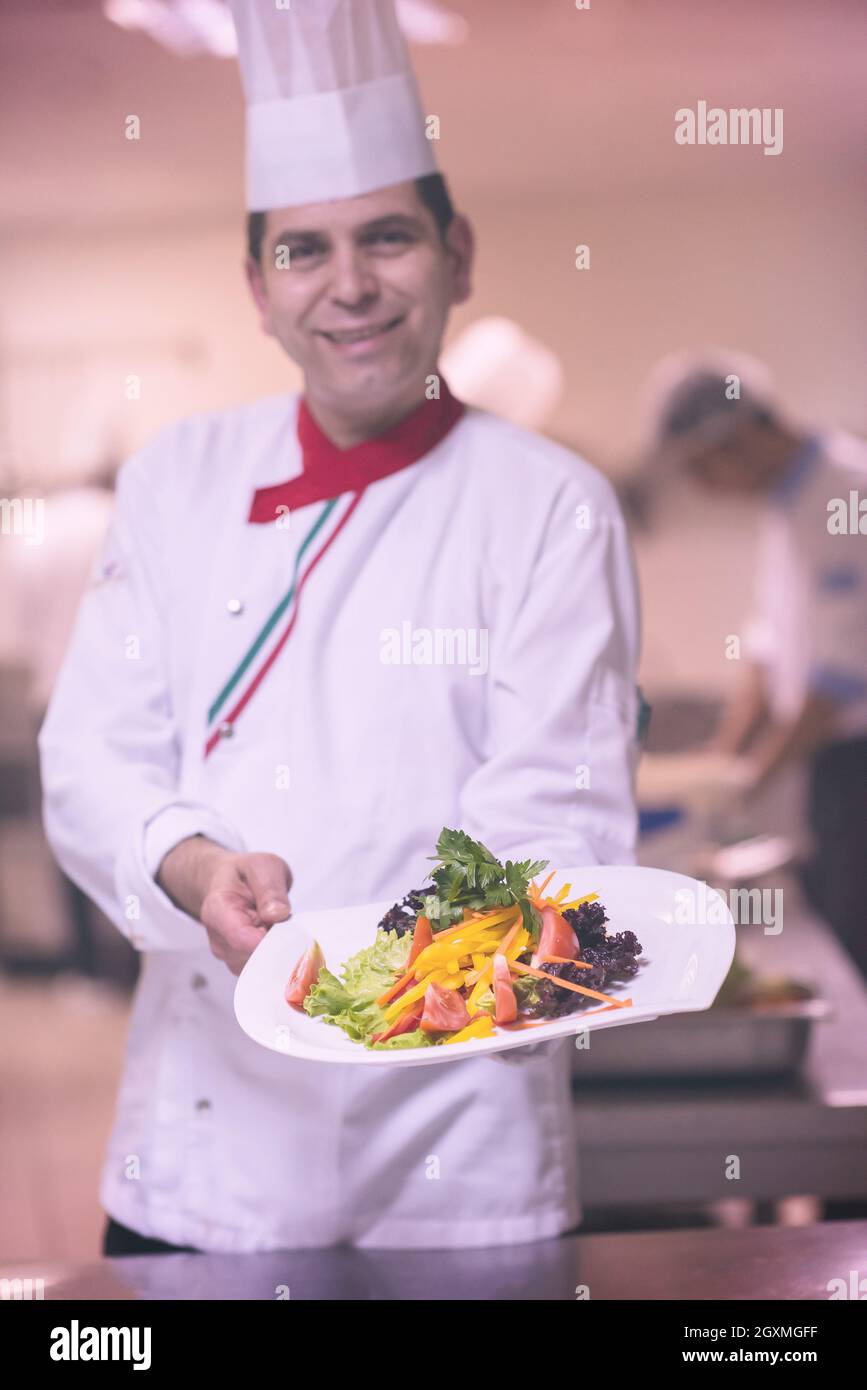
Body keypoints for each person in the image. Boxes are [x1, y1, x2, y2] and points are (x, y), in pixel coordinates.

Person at [39, 0, 641, 1254]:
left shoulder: (551, 507)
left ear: (457, 254)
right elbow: (93, 757)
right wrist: (199, 870)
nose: (350, 286)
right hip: (205, 1151)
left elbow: (554, 827)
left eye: (387, 238)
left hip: (458, 1154)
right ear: (257, 289)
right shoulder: (177, 479)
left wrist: (375, 987)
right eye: (304, 251)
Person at [647, 351, 867, 977]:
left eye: (700, 469)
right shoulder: (789, 504)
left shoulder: (847, 494)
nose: (705, 489)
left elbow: (839, 676)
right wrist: (722, 759)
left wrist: (745, 783)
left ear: (737, 440)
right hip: (834, 766)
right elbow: (768, 651)